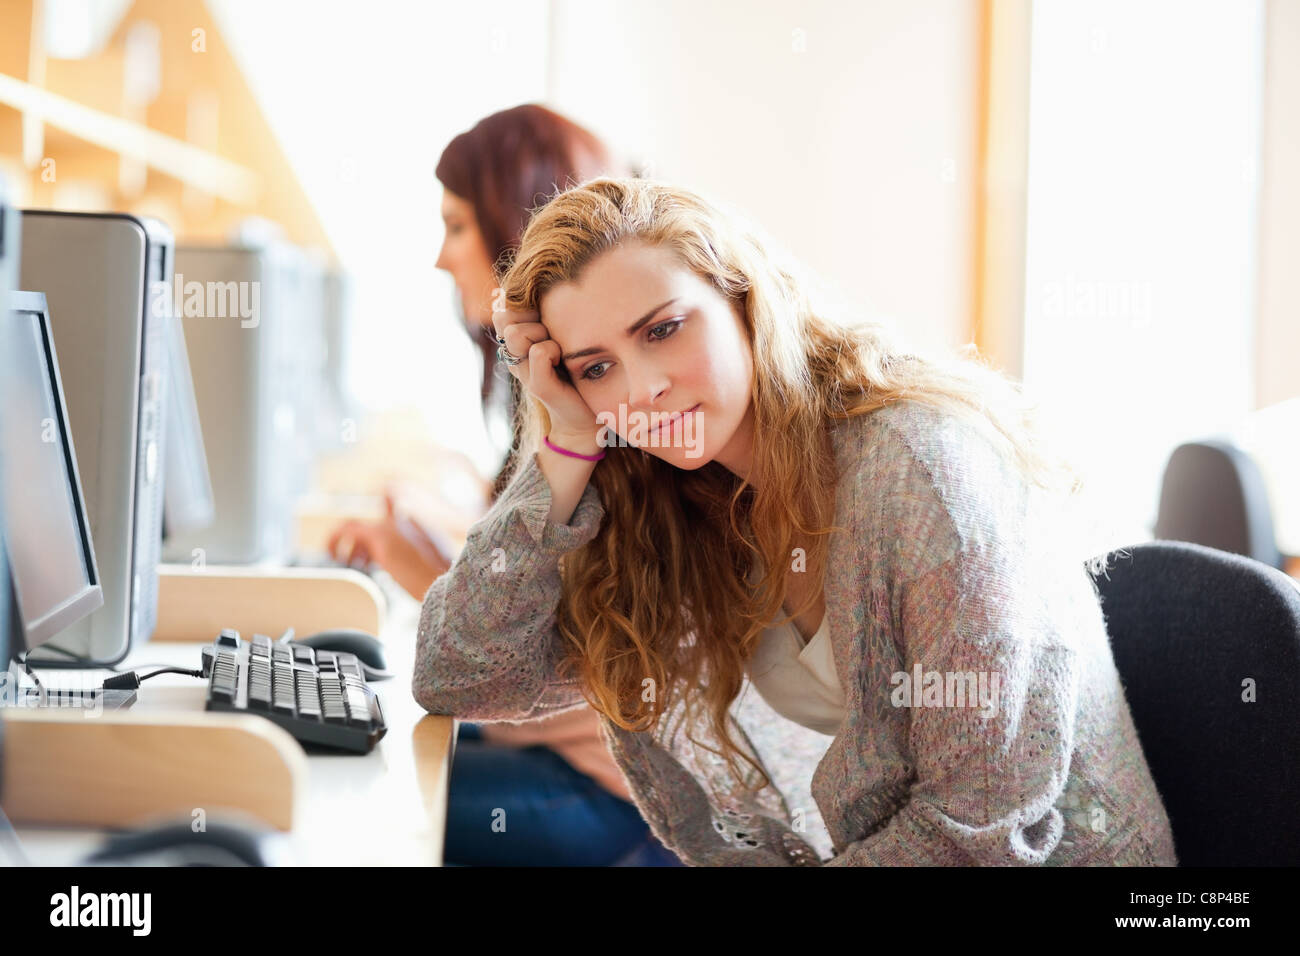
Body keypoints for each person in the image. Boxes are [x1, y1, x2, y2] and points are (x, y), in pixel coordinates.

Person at [411, 175, 1181, 866]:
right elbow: (463, 674)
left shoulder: (924, 474)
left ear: (743, 299)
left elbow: (983, 828)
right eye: (595, 368)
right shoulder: (677, 498)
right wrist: (562, 446)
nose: (641, 390)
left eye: (663, 329)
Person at [327, 106, 682, 866]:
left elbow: (504, 654)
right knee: (349, 773)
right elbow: (517, 610)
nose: (440, 257)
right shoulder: (553, 390)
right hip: (552, 750)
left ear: (512, 228)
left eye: (456, 227)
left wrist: (421, 556)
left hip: (603, 790)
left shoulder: (594, 409)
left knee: (349, 811)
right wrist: (422, 545)